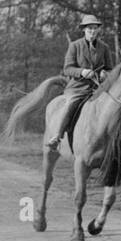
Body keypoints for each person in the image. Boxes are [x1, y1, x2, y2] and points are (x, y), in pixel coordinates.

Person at [47, 14, 114, 150]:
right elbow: (67, 69)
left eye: (95, 29)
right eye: (89, 29)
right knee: (70, 104)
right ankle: (57, 137)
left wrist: (104, 73)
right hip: (78, 88)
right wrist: (82, 72)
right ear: (84, 30)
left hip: (98, 89)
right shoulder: (75, 46)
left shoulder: (104, 47)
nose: (93, 32)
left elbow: (110, 69)